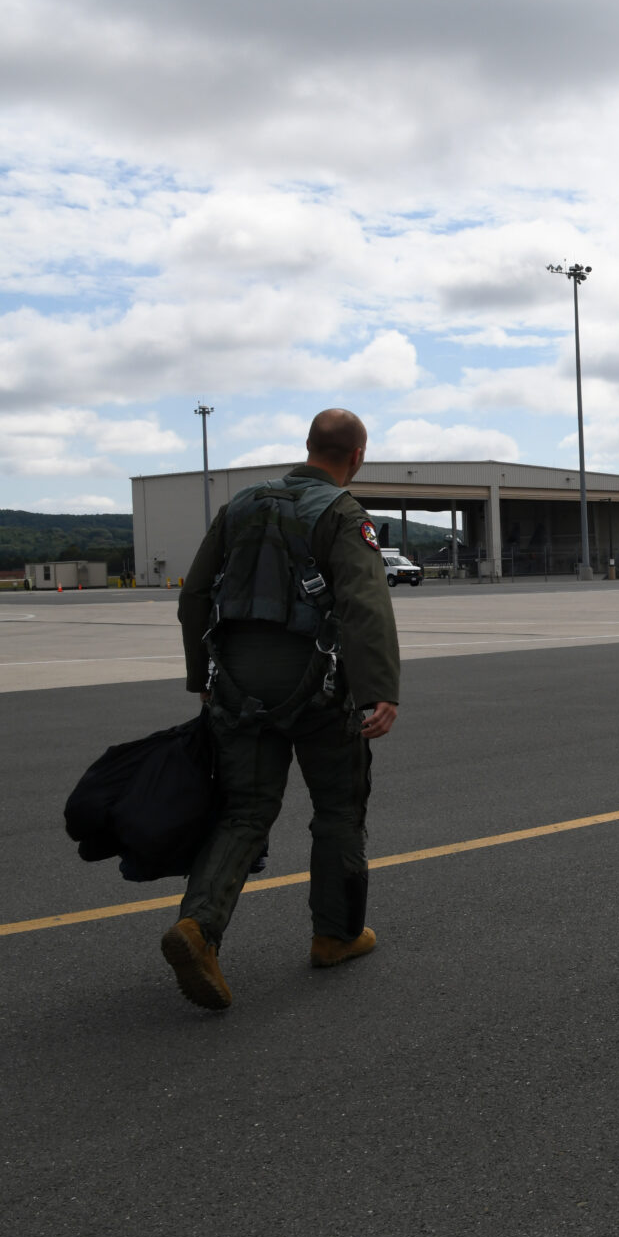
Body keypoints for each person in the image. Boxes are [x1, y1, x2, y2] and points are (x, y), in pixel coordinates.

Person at [161, 409, 401, 1010]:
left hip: (238, 685)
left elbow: (194, 595)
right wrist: (380, 690)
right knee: (338, 808)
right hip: (317, 685)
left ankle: (199, 928)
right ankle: (335, 936)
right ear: (358, 456)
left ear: (306, 447)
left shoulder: (239, 506)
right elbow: (365, 604)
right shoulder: (343, 514)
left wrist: (203, 676)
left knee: (245, 810)